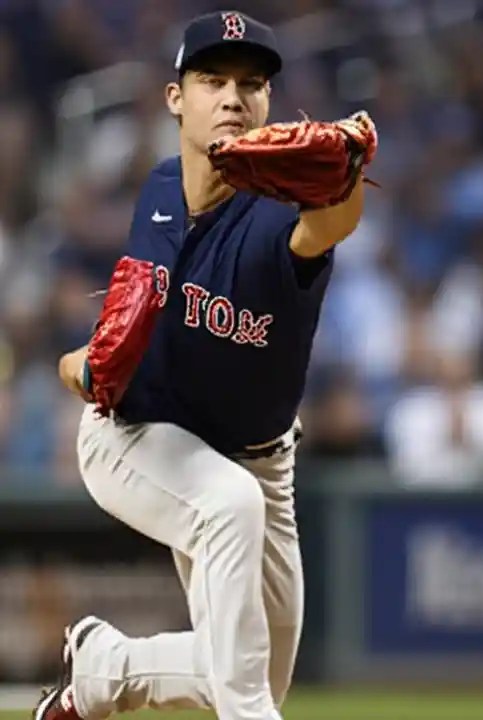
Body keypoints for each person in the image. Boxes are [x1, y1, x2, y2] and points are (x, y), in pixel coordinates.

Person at [37, 10, 368, 720]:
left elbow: (333, 225)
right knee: (228, 519)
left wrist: (341, 184)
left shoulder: (283, 215)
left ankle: (105, 669)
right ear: (175, 99)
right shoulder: (161, 188)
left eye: (251, 84)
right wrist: (79, 367)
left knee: (256, 665)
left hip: (259, 458)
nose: (233, 97)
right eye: (212, 79)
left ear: (270, 104)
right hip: (136, 434)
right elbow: (107, 353)